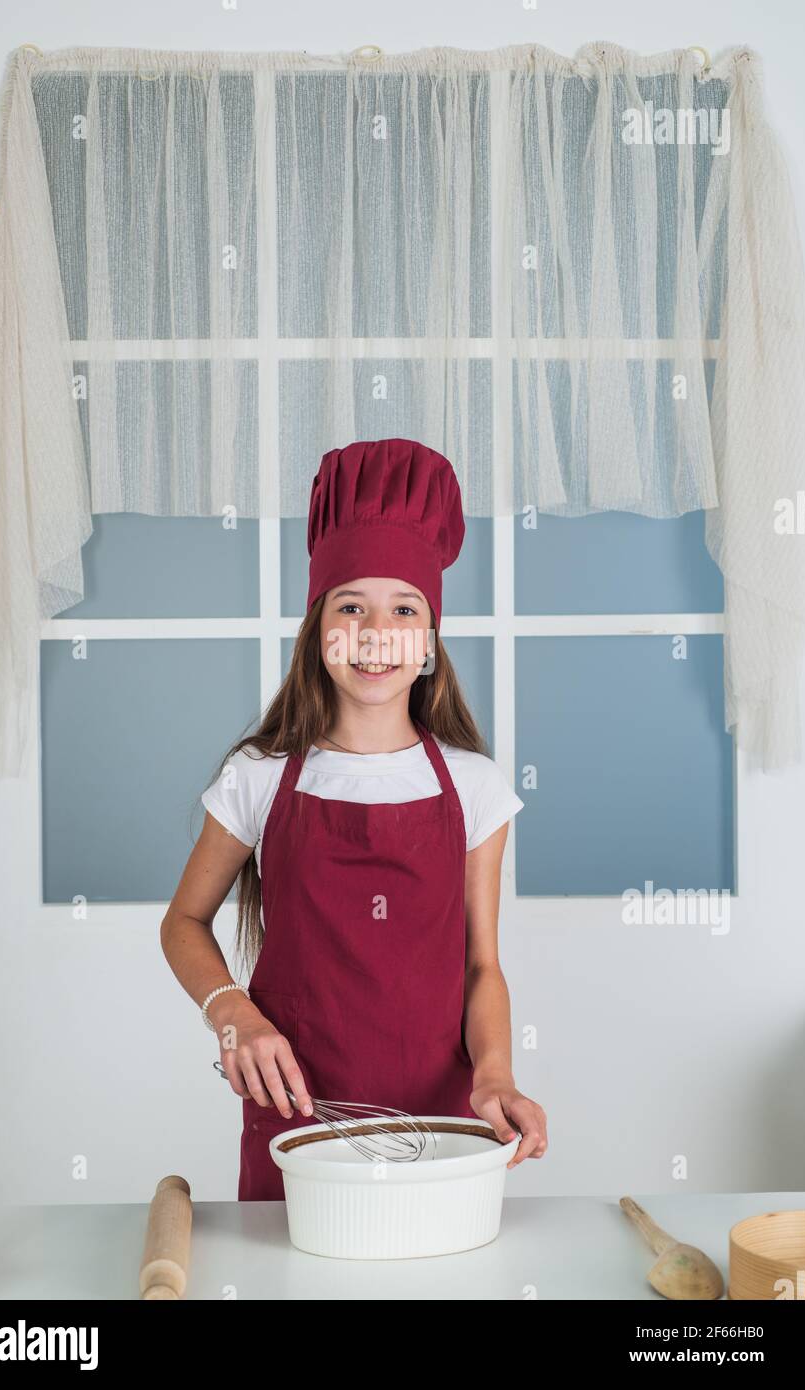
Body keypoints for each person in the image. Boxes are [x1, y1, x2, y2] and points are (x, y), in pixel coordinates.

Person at [161, 437, 548, 1199]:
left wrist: (494, 1072)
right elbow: (183, 922)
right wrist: (230, 1011)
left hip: (441, 1124)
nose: (376, 633)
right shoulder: (260, 774)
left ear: (428, 638)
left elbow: (481, 966)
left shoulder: (473, 786)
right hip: (297, 1117)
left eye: (404, 609)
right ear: (318, 630)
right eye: (351, 607)